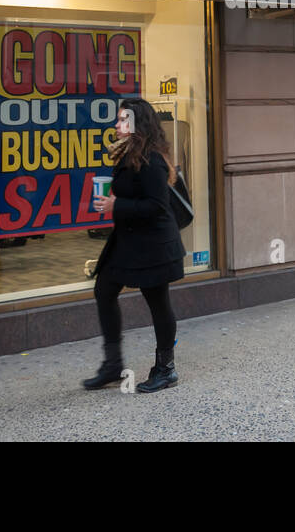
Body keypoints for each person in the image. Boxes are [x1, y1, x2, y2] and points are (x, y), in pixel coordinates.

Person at [82, 97, 186, 393]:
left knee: (158, 304)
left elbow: (156, 206)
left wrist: (117, 205)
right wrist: (116, 204)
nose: (116, 125)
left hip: (154, 245)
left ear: (137, 125)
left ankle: (166, 369)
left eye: (122, 120)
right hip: (129, 241)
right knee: (104, 289)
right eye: (117, 120)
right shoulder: (128, 153)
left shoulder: (151, 159)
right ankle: (113, 365)